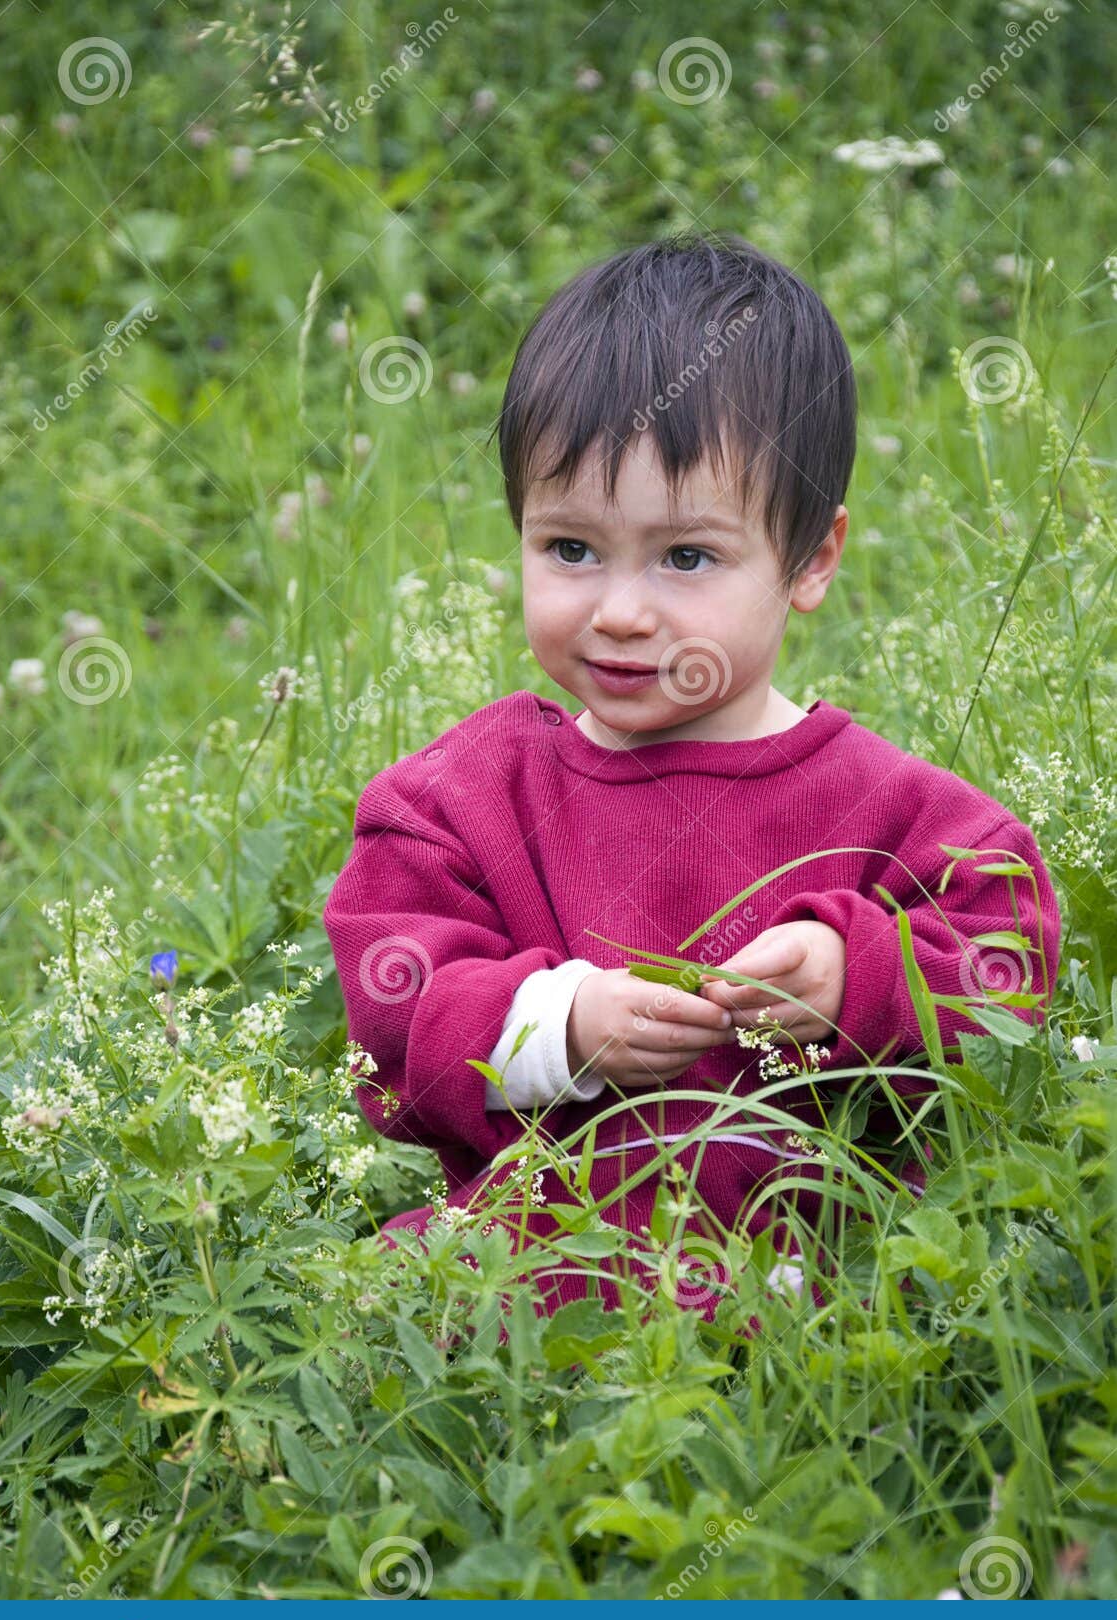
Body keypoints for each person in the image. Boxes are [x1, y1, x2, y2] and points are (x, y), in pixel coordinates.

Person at [322, 232, 1061, 1324]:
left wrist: (853, 970)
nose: (620, 609)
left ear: (811, 560)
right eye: (570, 548)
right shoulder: (464, 801)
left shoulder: (887, 804)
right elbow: (395, 1009)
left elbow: (1011, 963)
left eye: (686, 558)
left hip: (821, 1283)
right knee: (370, 1317)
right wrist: (560, 1026)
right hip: (534, 1285)